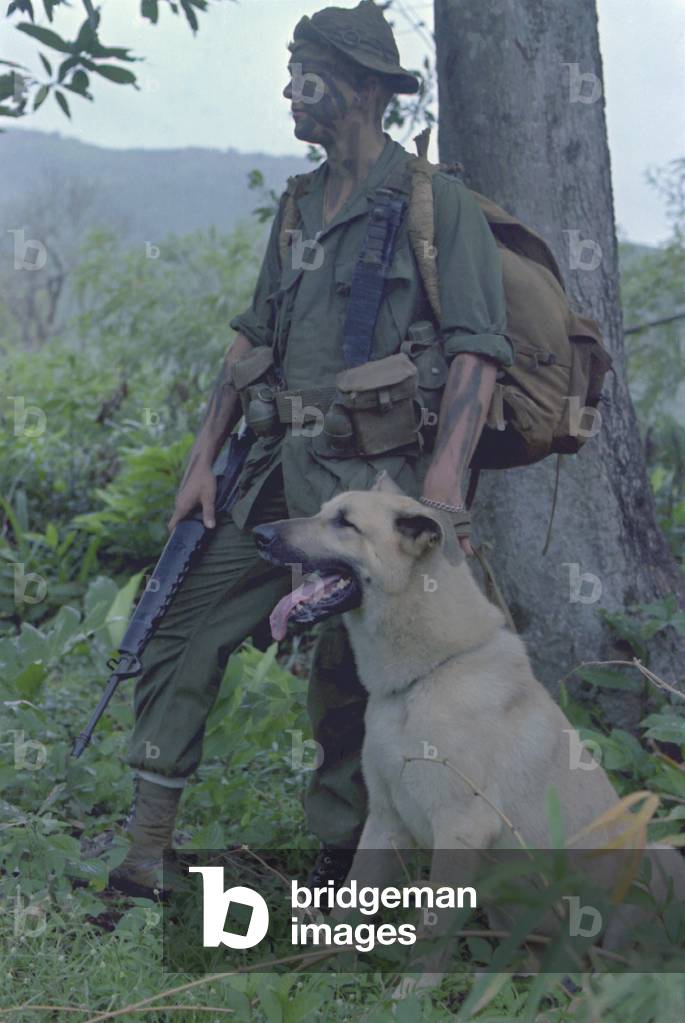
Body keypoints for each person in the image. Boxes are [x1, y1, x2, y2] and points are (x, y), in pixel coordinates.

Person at [101, 0, 513, 898]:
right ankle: (143, 853)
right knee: (179, 622)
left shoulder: (435, 203)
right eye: (289, 72)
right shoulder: (296, 203)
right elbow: (251, 338)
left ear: (361, 88)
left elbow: (478, 350)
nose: (290, 90)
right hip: (270, 474)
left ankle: (345, 860)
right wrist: (200, 463)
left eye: (307, 74)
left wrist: (443, 491)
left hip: (376, 487)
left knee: (349, 676)